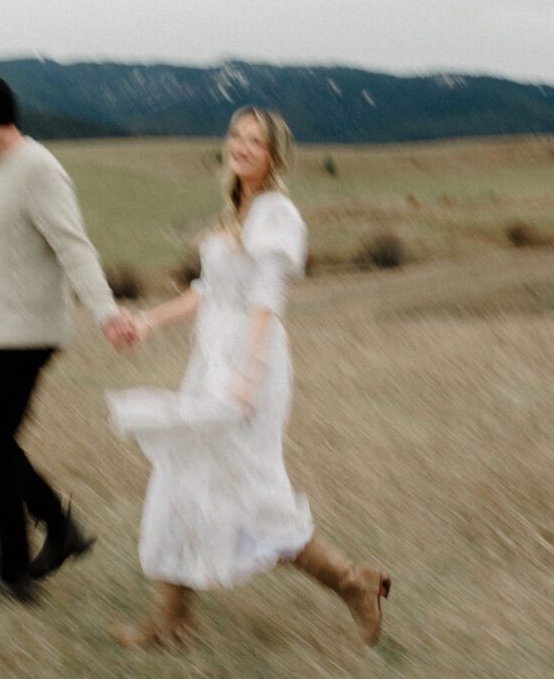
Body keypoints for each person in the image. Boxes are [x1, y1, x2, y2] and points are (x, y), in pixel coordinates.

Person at [106, 106, 391, 647]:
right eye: (236, 135)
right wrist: (147, 321)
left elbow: (266, 300)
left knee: (252, 496)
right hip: (211, 361)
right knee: (180, 481)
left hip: (248, 368)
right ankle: (172, 625)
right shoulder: (236, 210)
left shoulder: (274, 214)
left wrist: (249, 374)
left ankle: (355, 583)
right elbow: (208, 290)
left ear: (273, 156)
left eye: (255, 142)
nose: (241, 146)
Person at [0, 74, 137, 611]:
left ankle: (36, 551)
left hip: (30, 335)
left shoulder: (38, 170)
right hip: (4, 331)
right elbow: (7, 257)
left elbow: (73, 247)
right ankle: (41, 548)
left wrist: (107, 314)